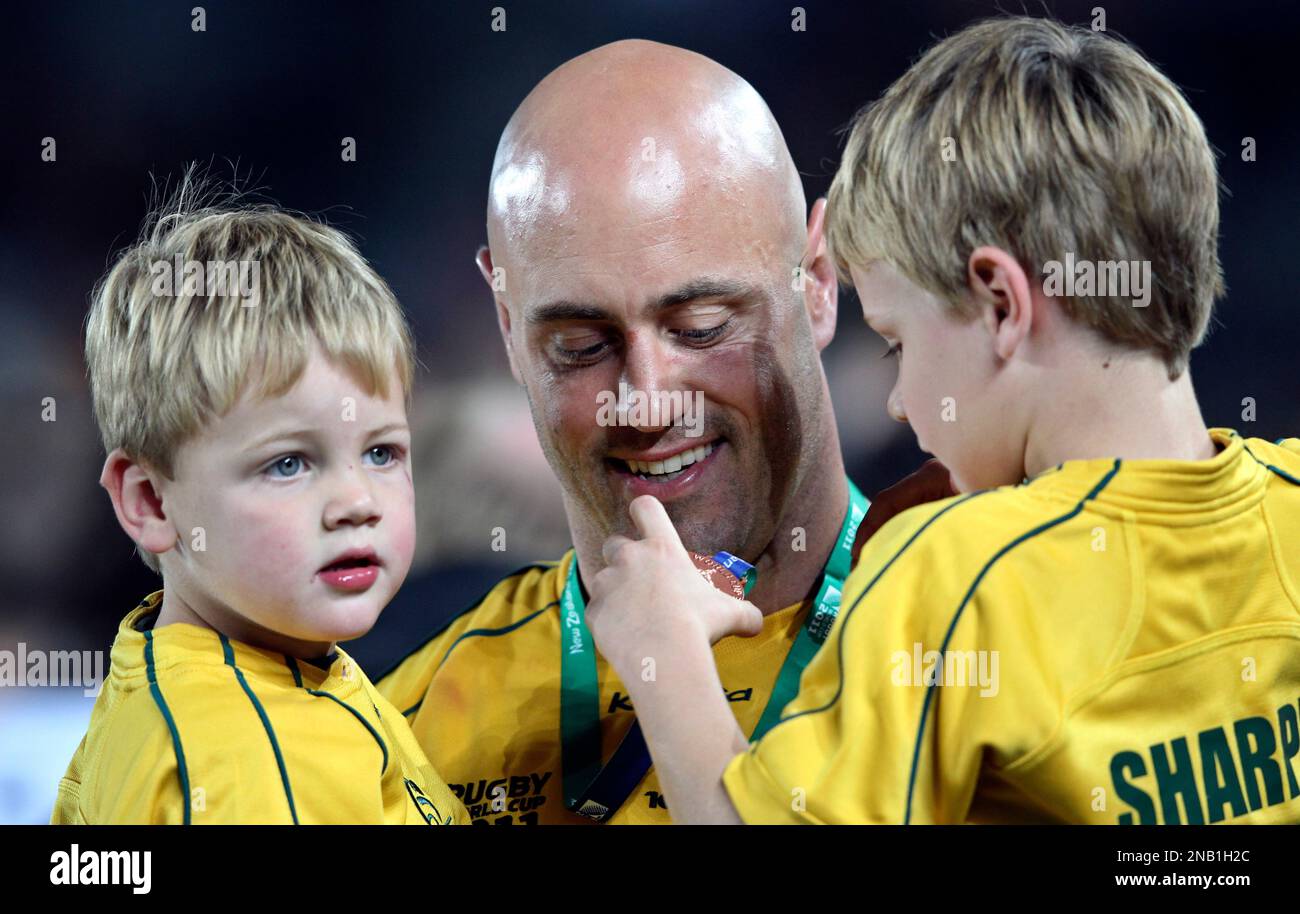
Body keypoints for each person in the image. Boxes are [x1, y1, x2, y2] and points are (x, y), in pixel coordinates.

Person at [582, 16, 1300, 824]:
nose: (899, 402)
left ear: (1000, 303)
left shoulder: (954, 574)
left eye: (896, 345)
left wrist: (663, 656)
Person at [375, 39, 874, 824]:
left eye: (703, 328)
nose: (644, 403)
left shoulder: (973, 649)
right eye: (582, 347)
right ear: (507, 326)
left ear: (816, 281)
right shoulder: (395, 728)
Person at [54, 180, 466, 824]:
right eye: (288, 464)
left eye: (381, 452)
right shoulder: (234, 753)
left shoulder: (272, 667)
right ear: (151, 503)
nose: (357, 502)